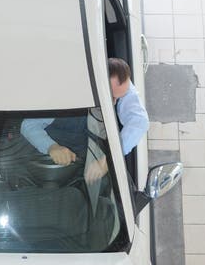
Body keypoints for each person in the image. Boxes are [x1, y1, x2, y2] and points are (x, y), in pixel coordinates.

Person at [20, 58, 149, 179]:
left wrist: (109, 159)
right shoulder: (63, 94)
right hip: (43, 164)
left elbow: (139, 122)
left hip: (85, 167)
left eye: (119, 98)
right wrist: (52, 147)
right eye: (112, 97)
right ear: (92, 83)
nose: (115, 103)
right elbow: (28, 125)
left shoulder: (120, 84)